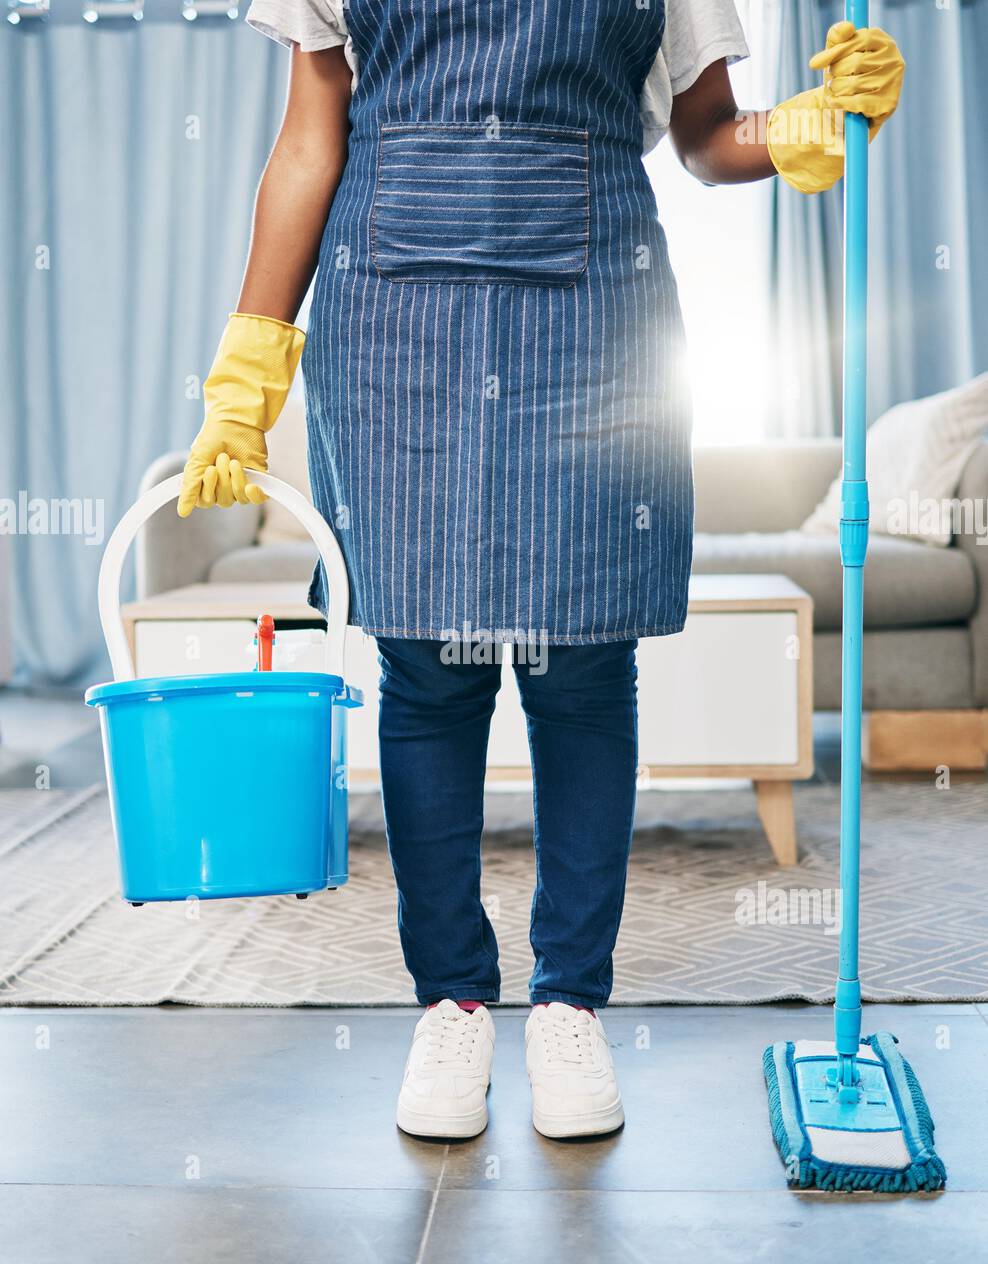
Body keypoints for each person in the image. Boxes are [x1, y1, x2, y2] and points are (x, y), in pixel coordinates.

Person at [177, 2, 904, 1140]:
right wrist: (248, 363)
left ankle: (569, 1000)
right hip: (393, 325)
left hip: (595, 325)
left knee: (579, 667)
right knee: (427, 673)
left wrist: (817, 121)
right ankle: (453, 1001)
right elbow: (314, 139)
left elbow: (709, 136)